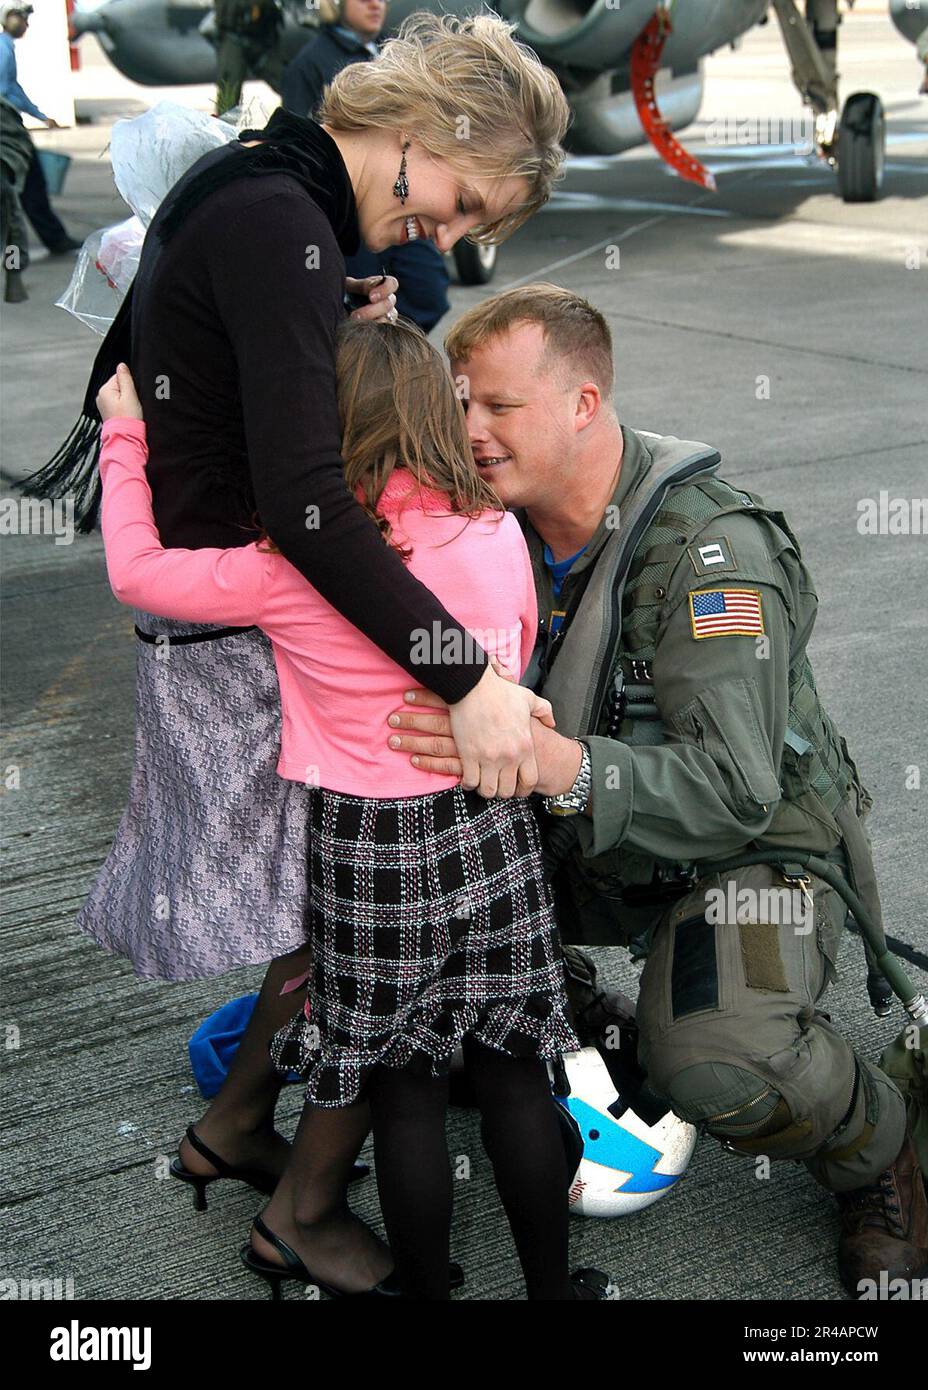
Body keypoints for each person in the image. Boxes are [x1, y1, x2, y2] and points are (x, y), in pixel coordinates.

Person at [24, 12, 570, 1294]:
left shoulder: (271, 189)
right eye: (454, 205)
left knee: (323, 930)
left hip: (218, 597)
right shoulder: (286, 221)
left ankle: (232, 1130)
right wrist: (467, 677)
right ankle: (306, 1210)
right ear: (425, 133)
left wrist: (326, 309)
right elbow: (314, 504)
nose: (447, 238)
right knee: (341, 936)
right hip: (238, 617)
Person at [386, 283, 927, 1298]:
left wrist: (556, 766)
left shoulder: (712, 560)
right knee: (399, 962)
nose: (467, 430)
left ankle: (880, 1154)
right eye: (458, 402)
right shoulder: (488, 529)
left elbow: (731, 788)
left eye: (496, 405)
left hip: (752, 852)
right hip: (599, 831)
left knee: (722, 1059)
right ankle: (581, 1002)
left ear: (583, 403)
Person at [93, 332, 611, 1301]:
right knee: (512, 1068)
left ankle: (421, 1290)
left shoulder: (290, 567)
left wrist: (126, 439)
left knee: (402, 1087)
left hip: (371, 844)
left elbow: (138, 574)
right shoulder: (497, 527)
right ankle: (550, 1289)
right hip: (493, 816)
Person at [282, 0, 451, 332]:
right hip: (350, 215)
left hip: (402, 202)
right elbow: (301, 145)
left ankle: (388, 353)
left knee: (428, 289)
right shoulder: (309, 65)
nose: (376, 4)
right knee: (364, 304)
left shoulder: (395, 56)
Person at [0, 1, 80, 271]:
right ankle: (54, 239)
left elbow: (13, 88)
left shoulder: (5, 47)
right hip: (6, 130)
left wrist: (39, 115)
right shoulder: (3, 49)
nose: (26, 24)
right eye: (22, 18)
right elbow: (7, 91)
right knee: (31, 183)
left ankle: (53, 238)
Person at [212, 0, 286, 116]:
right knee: (227, 100)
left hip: (262, 37)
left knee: (288, 82)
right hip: (233, 35)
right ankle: (224, 131)